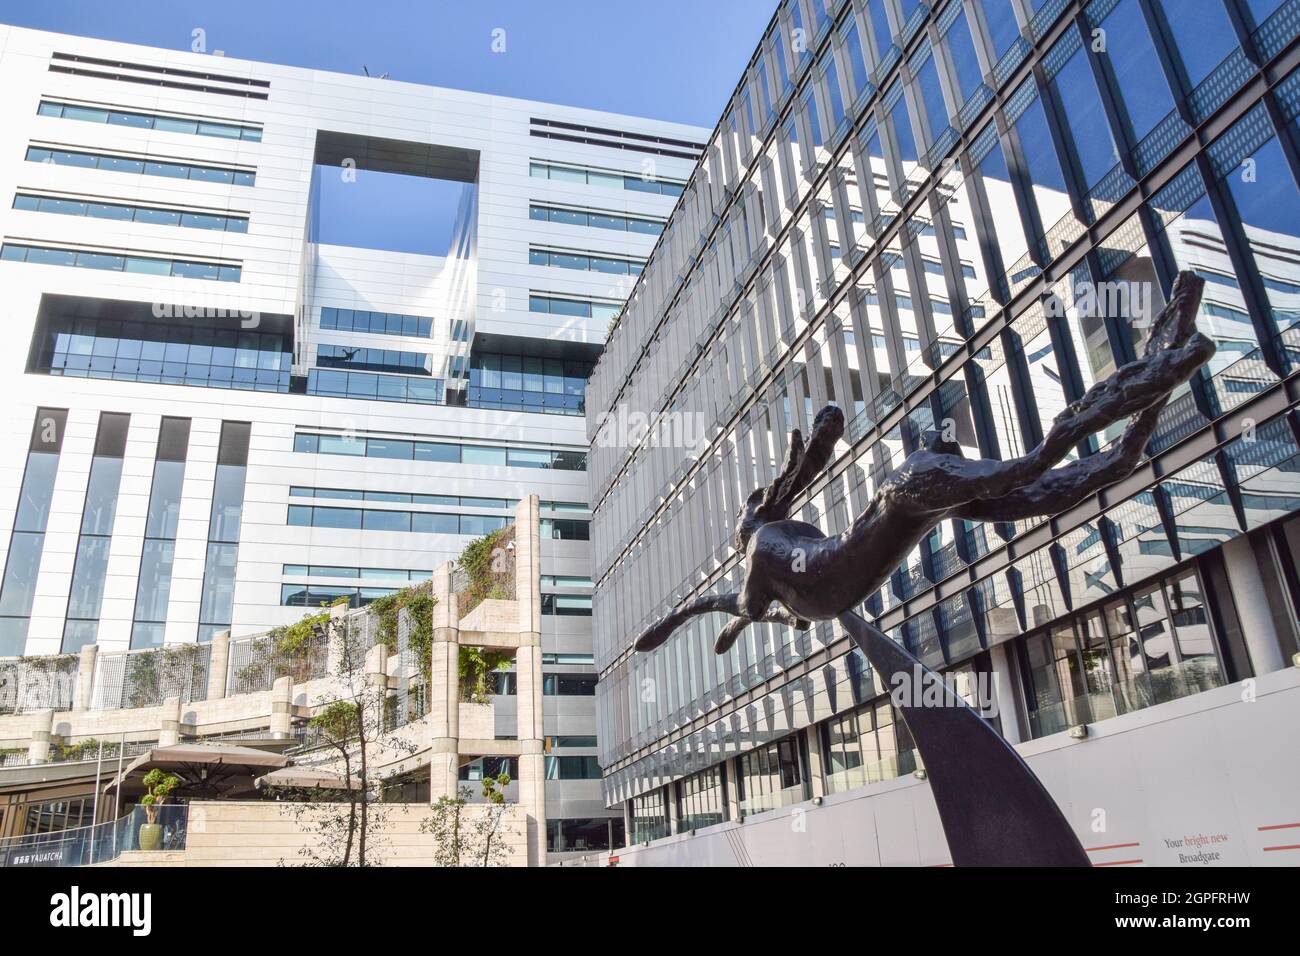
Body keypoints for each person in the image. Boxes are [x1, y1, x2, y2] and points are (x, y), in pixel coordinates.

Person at [634, 271, 1214, 655]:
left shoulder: (764, 552)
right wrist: (757, 619)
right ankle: (1169, 345)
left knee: (1037, 462)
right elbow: (798, 607)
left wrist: (697, 615)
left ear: (747, 532)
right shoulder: (787, 548)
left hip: (910, 491)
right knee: (1099, 471)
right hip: (920, 505)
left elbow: (743, 602)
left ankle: (1172, 365)